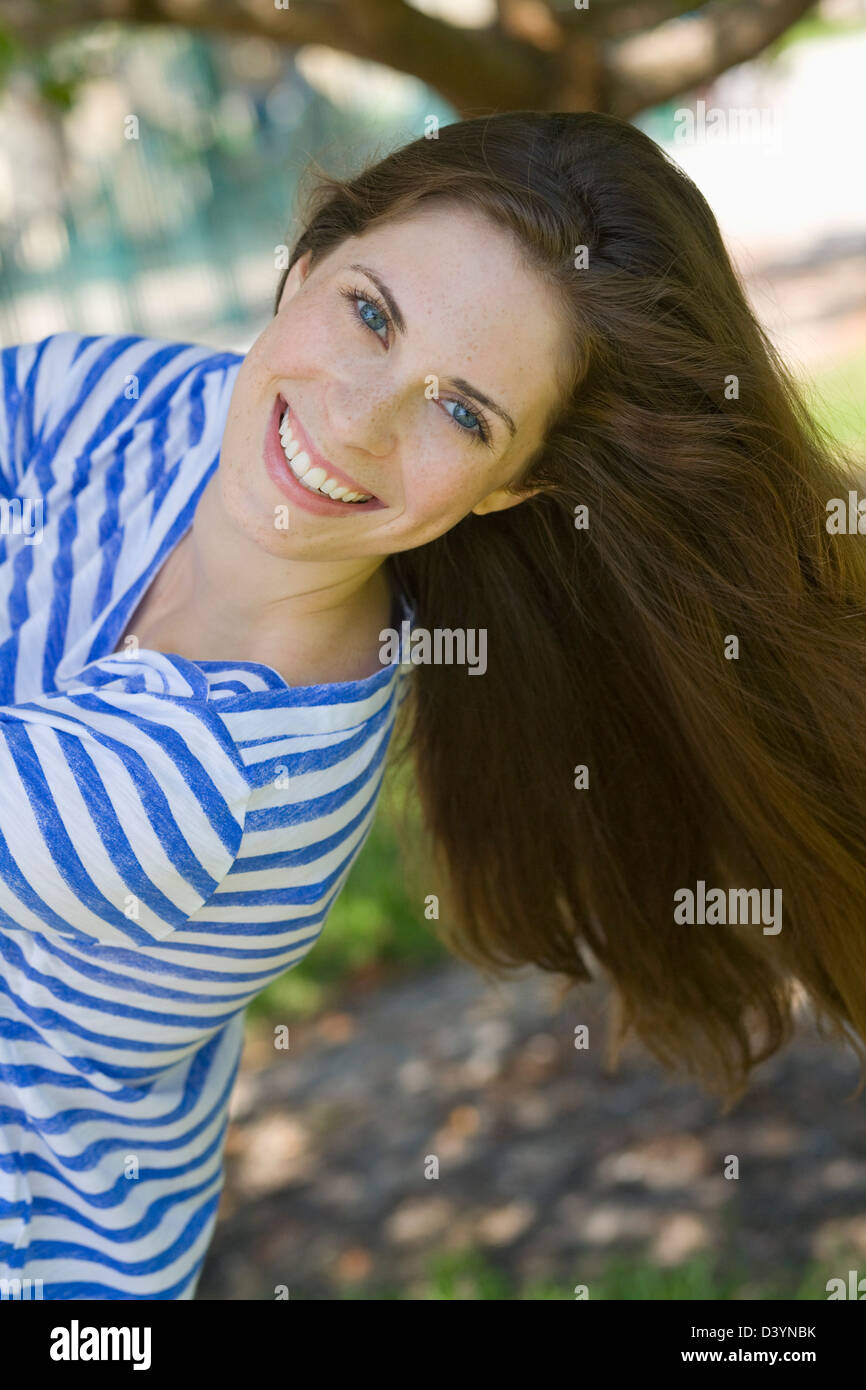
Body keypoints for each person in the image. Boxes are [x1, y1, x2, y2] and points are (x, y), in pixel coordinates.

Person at [1, 109, 864, 1300]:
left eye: (460, 412)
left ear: (513, 485)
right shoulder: (159, 407)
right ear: (304, 264)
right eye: (368, 313)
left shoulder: (210, 785)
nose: (354, 421)